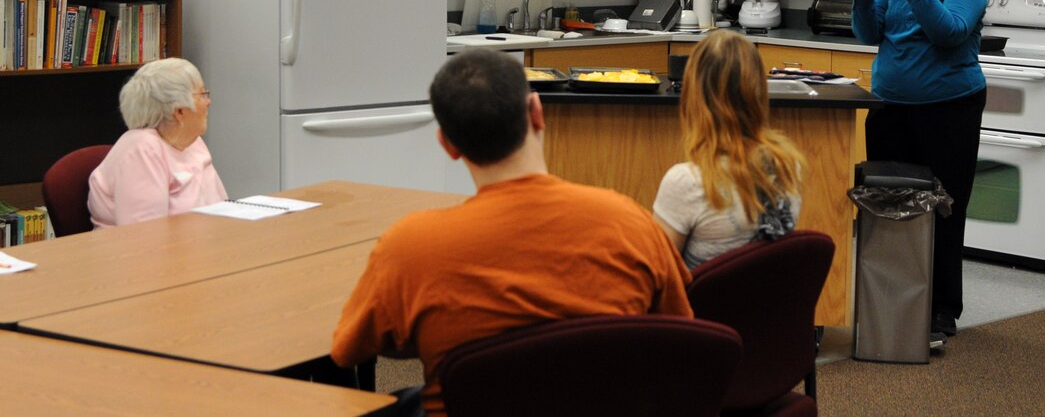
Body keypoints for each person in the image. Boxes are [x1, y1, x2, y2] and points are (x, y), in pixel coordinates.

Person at [332, 49, 693, 417]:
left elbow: (348, 350)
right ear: (537, 112)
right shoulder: (629, 222)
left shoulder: (410, 247)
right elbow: (682, 341)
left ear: (447, 144)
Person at [848, 0, 987, 349]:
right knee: (890, 205)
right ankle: (892, 299)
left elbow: (950, 31)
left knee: (943, 209)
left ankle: (941, 311)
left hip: (949, 110)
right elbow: (870, 33)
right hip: (891, 109)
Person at [653, 30, 805, 270]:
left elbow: (657, 275)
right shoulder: (787, 168)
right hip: (768, 295)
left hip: (701, 296)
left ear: (694, 96)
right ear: (759, 91)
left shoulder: (689, 182)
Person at [87, 57, 226, 228]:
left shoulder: (193, 141)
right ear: (179, 111)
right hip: (147, 245)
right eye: (202, 94)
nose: (209, 102)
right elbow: (146, 235)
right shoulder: (142, 151)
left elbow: (222, 209)